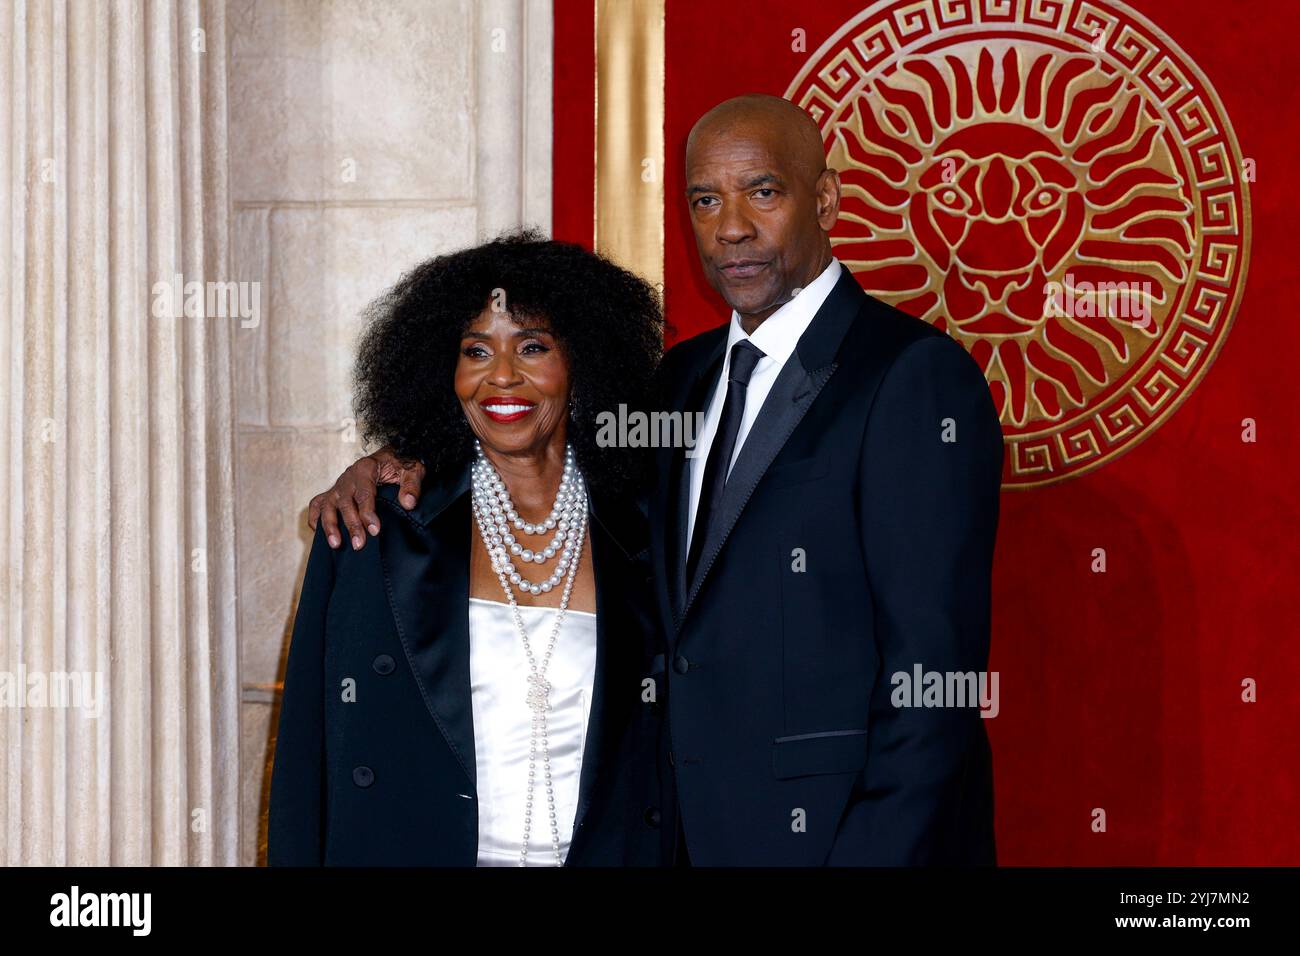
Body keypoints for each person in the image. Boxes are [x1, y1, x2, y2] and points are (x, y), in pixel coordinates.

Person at [311, 94, 1003, 866]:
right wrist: (394, 462)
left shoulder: (912, 377)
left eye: (762, 192)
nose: (730, 226)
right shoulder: (680, 381)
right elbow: (537, 448)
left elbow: (932, 680)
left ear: (827, 198)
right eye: (705, 200)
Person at [269, 231, 666, 866]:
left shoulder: (653, 535)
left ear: (585, 363)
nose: (501, 377)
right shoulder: (372, 529)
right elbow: (307, 761)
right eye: (475, 351)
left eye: (532, 347)